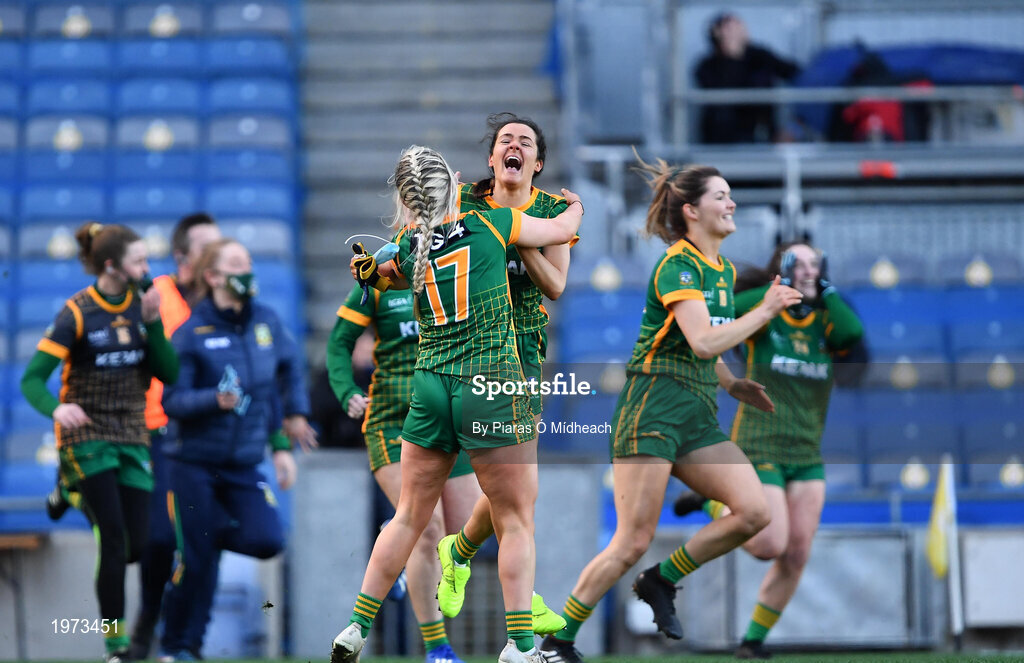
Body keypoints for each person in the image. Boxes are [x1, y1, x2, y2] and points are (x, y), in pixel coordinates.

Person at [538, 160, 803, 663]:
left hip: (697, 413)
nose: (731, 203)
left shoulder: (723, 270)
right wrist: (765, 310)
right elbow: (702, 341)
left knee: (755, 513)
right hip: (653, 409)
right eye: (720, 196)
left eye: (729, 195)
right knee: (631, 540)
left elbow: (705, 346)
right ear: (692, 211)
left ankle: (661, 579)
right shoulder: (677, 264)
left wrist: (733, 383)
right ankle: (558, 641)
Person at [330, 145, 584, 663]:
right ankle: (520, 645)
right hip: (486, 383)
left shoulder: (408, 247)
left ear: (405, 200)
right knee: (515, 517)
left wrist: (370, 272)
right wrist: (576, 206)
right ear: (454, 185)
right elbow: (560, 231)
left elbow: (385, 272)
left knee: (408, 516)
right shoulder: (492, 222)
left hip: (428, 386)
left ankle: (356, 625)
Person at [673, 242, 863, 660]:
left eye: (816, 263)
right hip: (760, 445)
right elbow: (724, 311)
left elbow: (852, 333)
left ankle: (752, 642)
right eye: (799, 264)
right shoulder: (765, 314)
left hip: (807, 452)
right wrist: (774, 293)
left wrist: (826, 291)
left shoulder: (826, 319)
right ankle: (712, 503)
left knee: (797, 553)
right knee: (767, 545)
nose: (809, 270)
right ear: (781, 270)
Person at [435, 112, 576, 633]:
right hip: (466, 352)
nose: (514, 146)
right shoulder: (463, 203)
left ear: (536, 163)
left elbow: (556, 286)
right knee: (517, 494)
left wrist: (514, 233)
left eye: (526, 142)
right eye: (505, 140)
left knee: (515, 491)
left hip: (522, 355)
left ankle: (460, 552)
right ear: (492, 158)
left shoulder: (553, 212)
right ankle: (521, 606)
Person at [20, 222, 179, 663]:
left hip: (132, 431)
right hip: (85, 432)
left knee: (136, 547)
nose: (147, 269)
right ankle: (115, 646)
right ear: (112, 266)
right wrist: (56, 409)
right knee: (111, 538)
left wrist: (154, 325)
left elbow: (170, 373)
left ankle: (68, 490)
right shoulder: (76, 312)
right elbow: (31, 380)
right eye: (139, 261)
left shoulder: (144, 307)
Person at [159, 238, 316, 661]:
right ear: (213, 277)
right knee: (195, 562)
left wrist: (289, 427)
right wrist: (214, 400)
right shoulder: (190, 333)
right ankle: (177, 647)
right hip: (192, 463)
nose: (246, 271)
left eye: (248, 262)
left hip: (243, 464)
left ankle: (206, 536)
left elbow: (285, 375)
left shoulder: (266, 321)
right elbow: (172, 401)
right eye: (235, 264)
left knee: (267, 539)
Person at [327, 272, 481, 663]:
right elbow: (340, 341)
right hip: (393, 421)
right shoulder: (379, 281)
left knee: (468, 529)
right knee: (427, 528)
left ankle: (395, 539)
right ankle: (437, 649)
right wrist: (346, 391)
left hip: (451, 416)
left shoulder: (459, 271)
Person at [129, 212, 222, 660]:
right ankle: (149, 618)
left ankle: (188, 641)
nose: (216, 253)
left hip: (207, 433)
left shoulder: (223, 301)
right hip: (157, 431)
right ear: (183, 255)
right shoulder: (155, 295)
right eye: (207, 246)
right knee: (160, 537)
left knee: (204, 539)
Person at [694, 12, 800, 144]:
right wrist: (732, 55)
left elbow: (794, 73)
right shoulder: (707, 66)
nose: (739, 29)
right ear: (718, 33)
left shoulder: (760, 56)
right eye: (730, 27)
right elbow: (721, 91)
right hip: (722, 139)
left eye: (739, 24)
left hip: (763, 134)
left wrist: (793, 128)